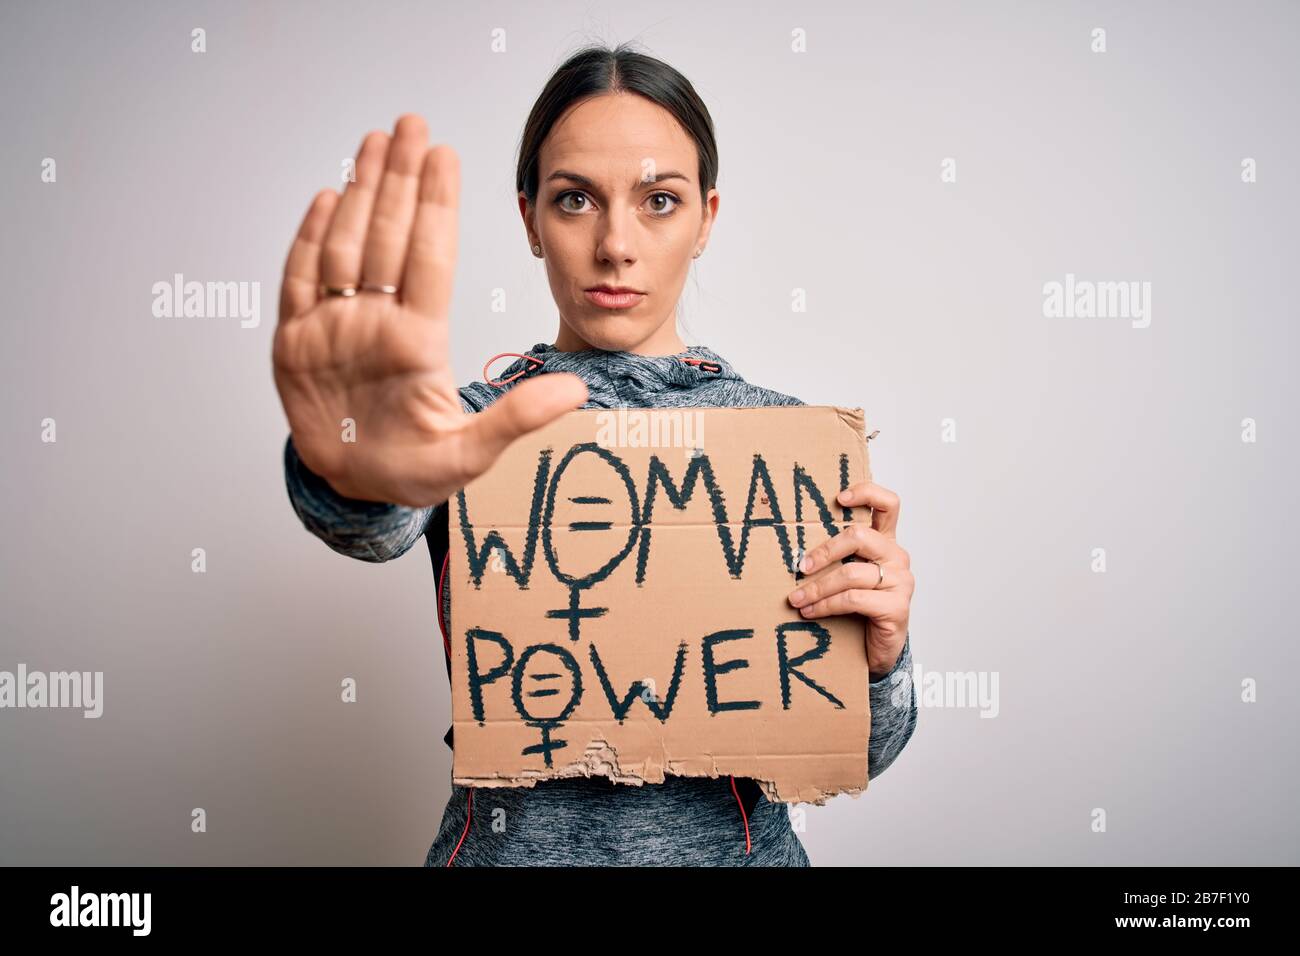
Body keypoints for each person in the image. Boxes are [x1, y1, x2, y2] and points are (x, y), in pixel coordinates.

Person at [273, 43, 918, 866]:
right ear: (530, 220)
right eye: (575, 199)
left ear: (706, 220)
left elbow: (860, 752)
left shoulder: (787, 448)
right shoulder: (471, 426)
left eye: (658, 200)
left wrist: (884, 657)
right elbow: (375, 520)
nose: (617, 244)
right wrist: (353, 460)